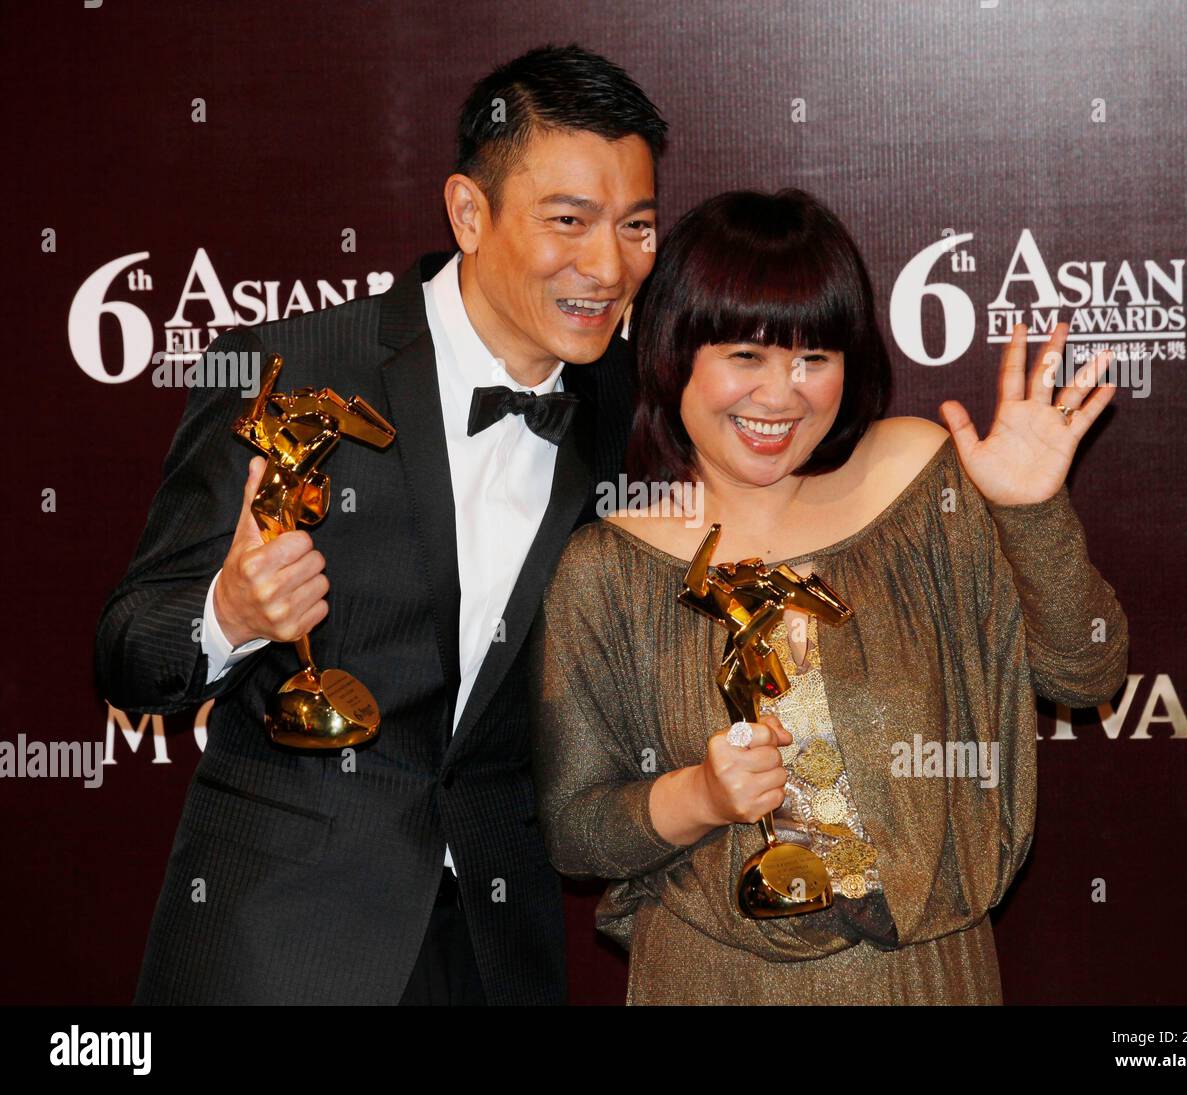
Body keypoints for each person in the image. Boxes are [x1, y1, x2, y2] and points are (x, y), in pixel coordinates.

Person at [94, 44, 666, 1005]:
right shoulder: (290, 370)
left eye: (638, 225)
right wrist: (226, 614)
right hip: (280, 941)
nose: (608, 265)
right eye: (568, 221)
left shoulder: (635, 407)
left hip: (497, 951)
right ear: (469, 213)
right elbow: (125, 650)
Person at [530, 188, 1129, 1004]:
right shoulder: (608, 565)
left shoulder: (919, 485)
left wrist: (1029, 513)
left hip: (923, 978)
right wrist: (698, 796)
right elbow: (575, 827)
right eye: (746, 355)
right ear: (674, 355)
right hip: (710, 981)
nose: (782, 396)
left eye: (815, 357)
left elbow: (1085, 674)